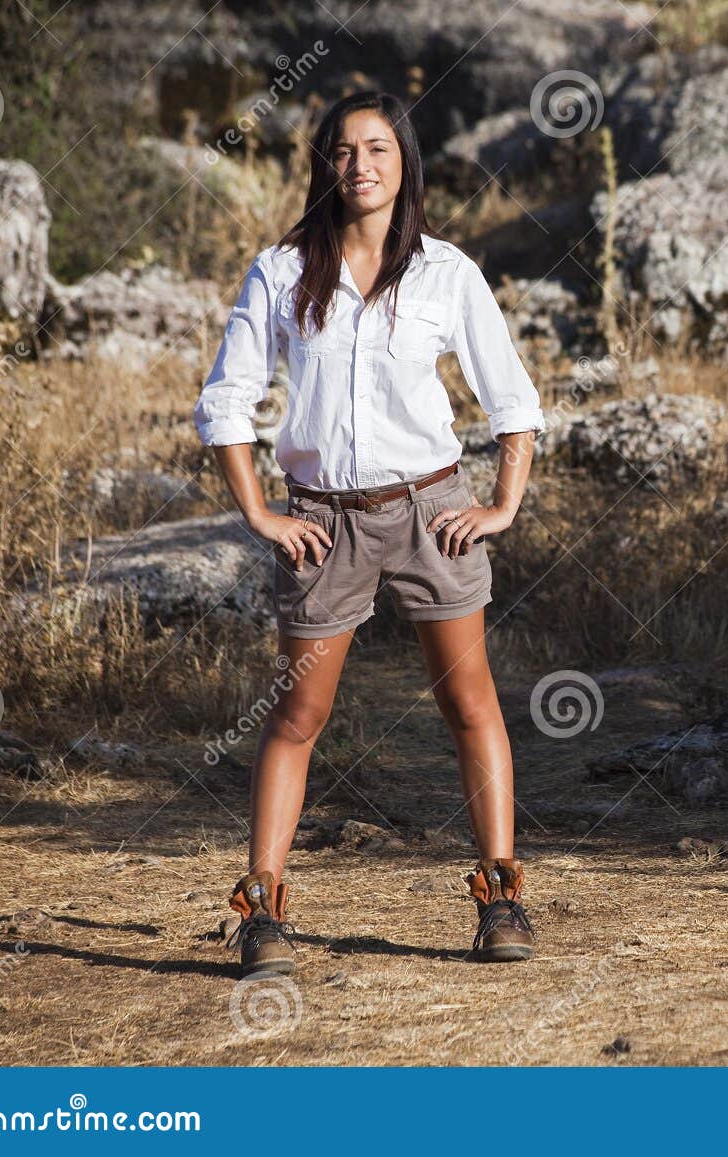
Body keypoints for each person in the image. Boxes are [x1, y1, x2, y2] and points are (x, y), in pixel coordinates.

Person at [192, 90, 544, 976]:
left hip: (432, 513)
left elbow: (513, 400)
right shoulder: (278, 274)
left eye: (378, 149)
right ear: (325, 166)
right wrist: (261, 513)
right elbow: (226, 402)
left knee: (470, 705)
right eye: (345, 151)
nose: (361, 166)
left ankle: (500, 900)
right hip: (322, 522)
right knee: (298, 714)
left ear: (404, 160)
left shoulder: (446, 273)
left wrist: (499, 503)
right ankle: (263, 913)